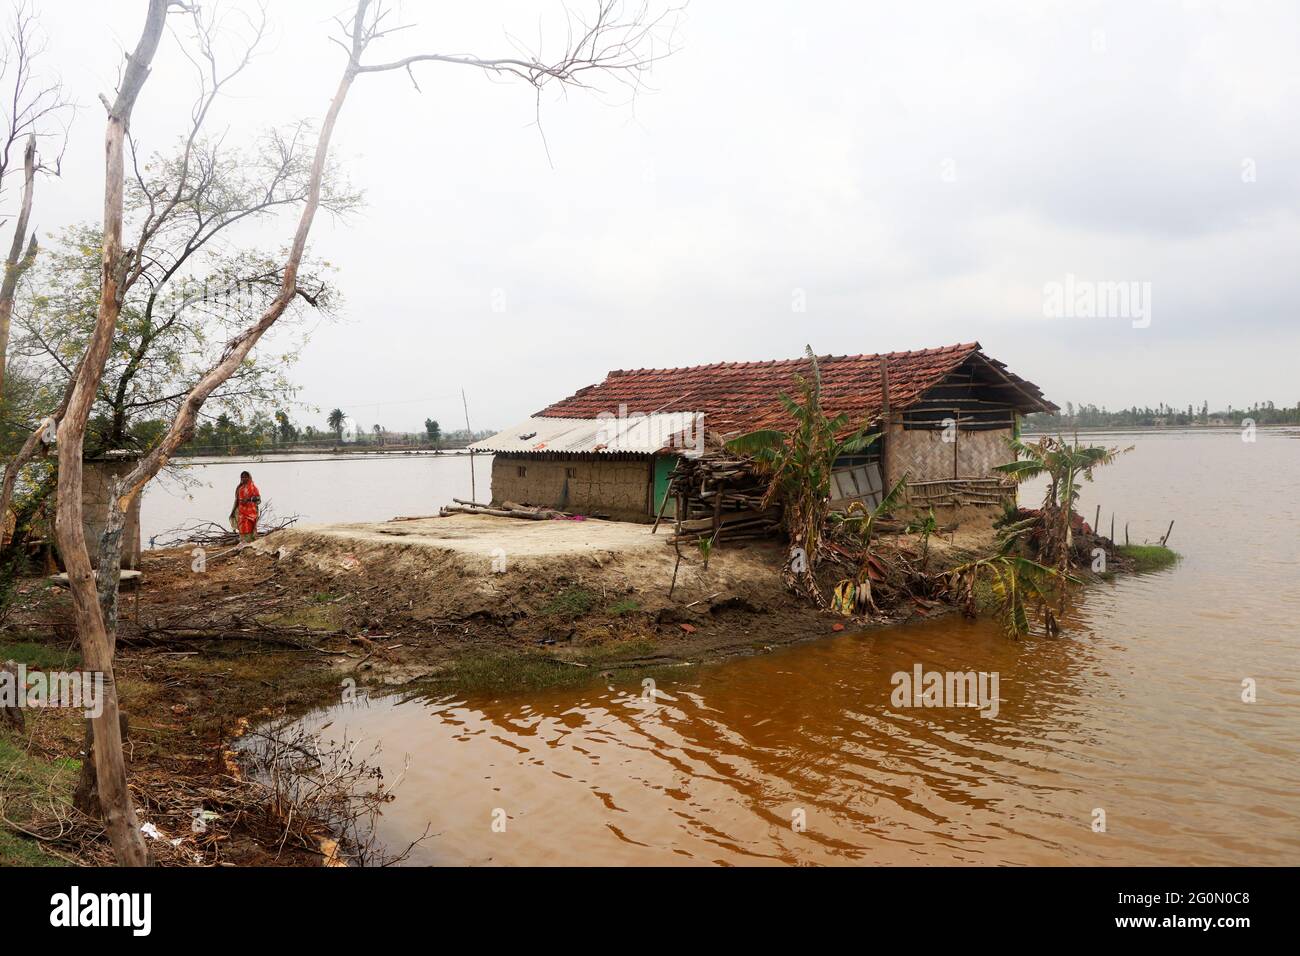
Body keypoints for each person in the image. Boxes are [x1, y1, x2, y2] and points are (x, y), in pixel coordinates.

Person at [230, 471, 261, 544]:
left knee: (250, 527)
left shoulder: (253, 487)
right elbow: (237, 499)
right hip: (241, 511)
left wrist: (248, 500)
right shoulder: (239, 487)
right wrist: (234, 511)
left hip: (251, 512)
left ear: (249, 477)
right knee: (242, 527)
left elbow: (258, 499)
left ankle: (251, 543)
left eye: (245, 477)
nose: (244, 479)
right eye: (242, 477)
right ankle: (244, 542)